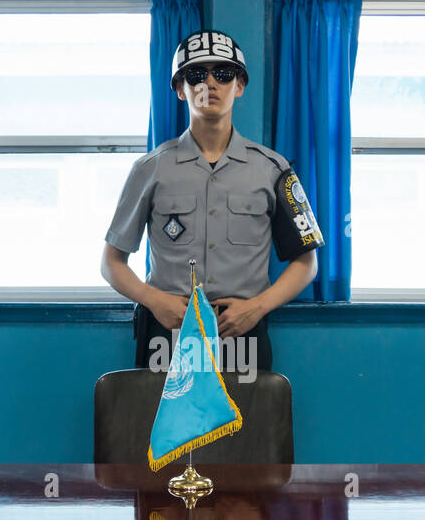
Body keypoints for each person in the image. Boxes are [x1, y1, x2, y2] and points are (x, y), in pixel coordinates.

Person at [101, 29, 320, 372]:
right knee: (161, 425)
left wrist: (258, 307)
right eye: (196, 74)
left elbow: (307, 263)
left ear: (240, 85)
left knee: (247, 425)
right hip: (167, 333)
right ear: (179, 88)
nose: (210, 84)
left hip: (241, 333)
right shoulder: (150, 169)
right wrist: (155, 301)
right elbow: (111, 262)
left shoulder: (273, 169)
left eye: (223, 73)